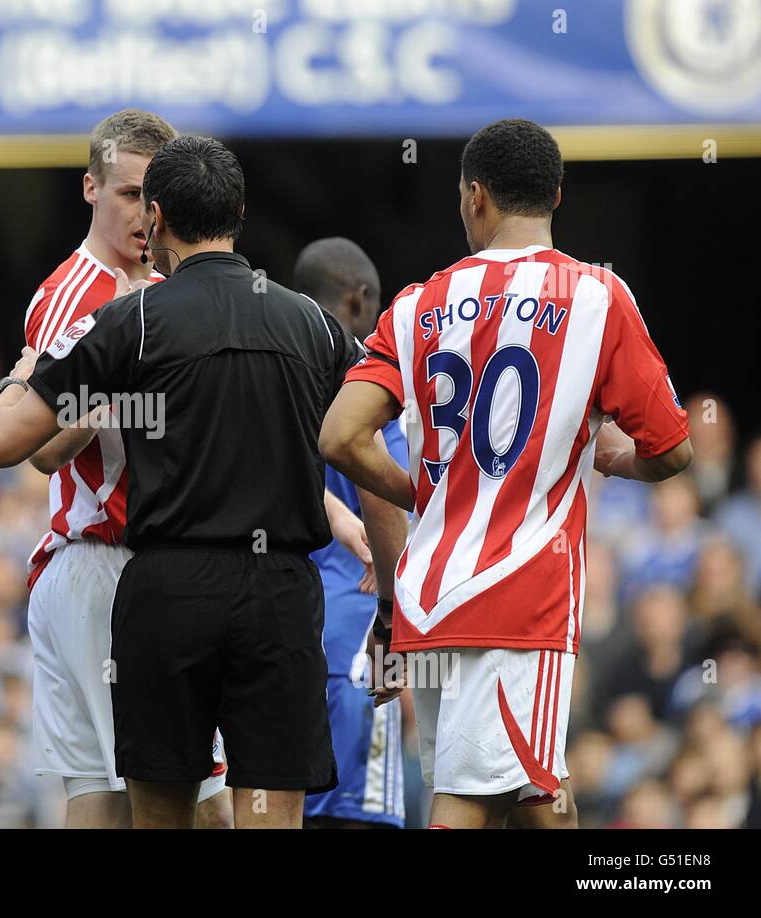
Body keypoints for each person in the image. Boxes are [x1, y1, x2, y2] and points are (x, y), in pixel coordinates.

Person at [0, 136, 404, 828]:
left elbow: (6, 444)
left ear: (154, 218)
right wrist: (390, 609)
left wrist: (26, 370)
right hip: (279, 598)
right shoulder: (314, 326)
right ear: (238, 211)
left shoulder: (130, 319)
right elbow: (373, 466)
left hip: (165, 596)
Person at [322, 118, 693, 829]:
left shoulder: (417, 302)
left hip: (430, 599)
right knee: (477, 803)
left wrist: (428, 490)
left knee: (541, 795)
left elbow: (341, 436)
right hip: (521, 600)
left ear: (474, 198)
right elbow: (674, 449)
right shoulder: (596, 297)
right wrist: (616, 457)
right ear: (556, 195)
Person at [19, 109, 229, 828]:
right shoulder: (82, 296)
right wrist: (125, 351)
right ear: (90, 189)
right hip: (110, 567)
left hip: (100, 570)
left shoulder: (152, 289)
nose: (146, 214)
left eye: (156, 197)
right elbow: (40, 445)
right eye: (129, 194)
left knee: (102, 804)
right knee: (203, 809)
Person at [292, 238, 408, 829]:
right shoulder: (375, 378)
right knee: (356, 815)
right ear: (360, 301)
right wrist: (395, 619)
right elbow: (387, 501)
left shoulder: (276, 374)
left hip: (280, 632)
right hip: (359, 630)